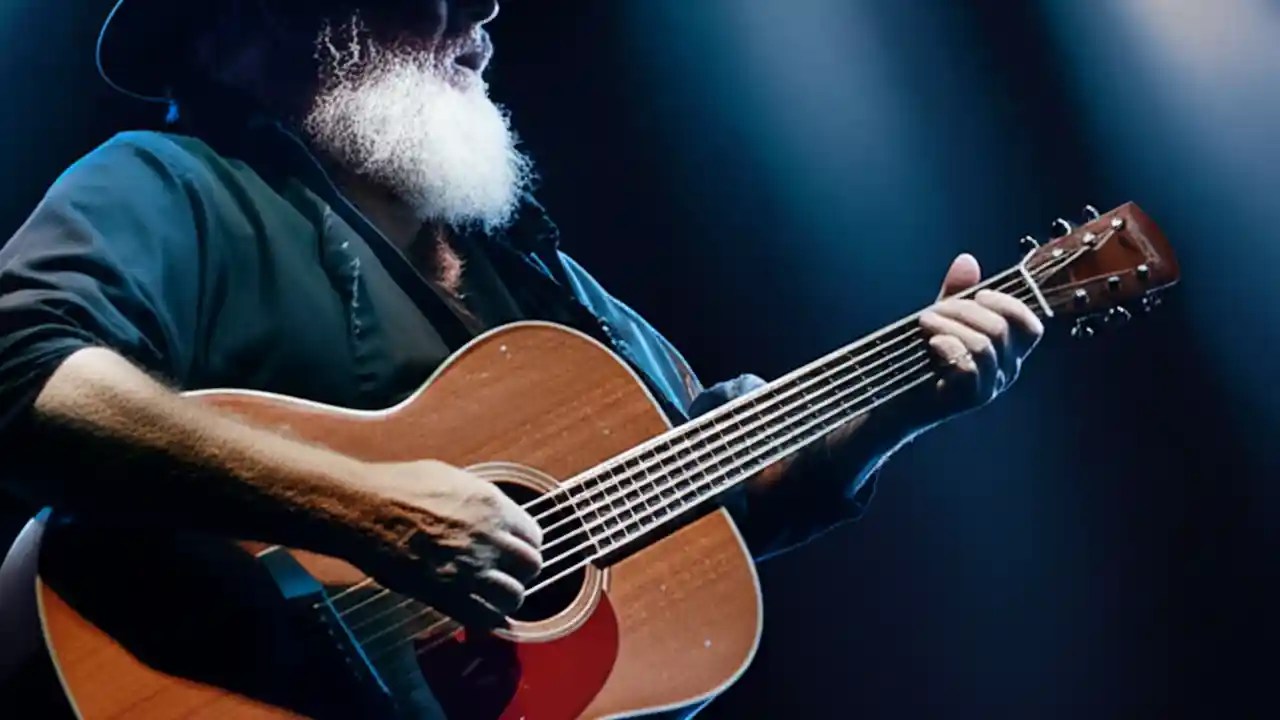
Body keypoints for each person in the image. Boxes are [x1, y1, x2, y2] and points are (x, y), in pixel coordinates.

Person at [0, 0, 1042, 691]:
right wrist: (366, 511)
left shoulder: (535, 280)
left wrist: (900, 404)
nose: (484, 10)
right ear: (261, 23)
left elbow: (701, 488)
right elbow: (20, 371)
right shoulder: (170, 186)